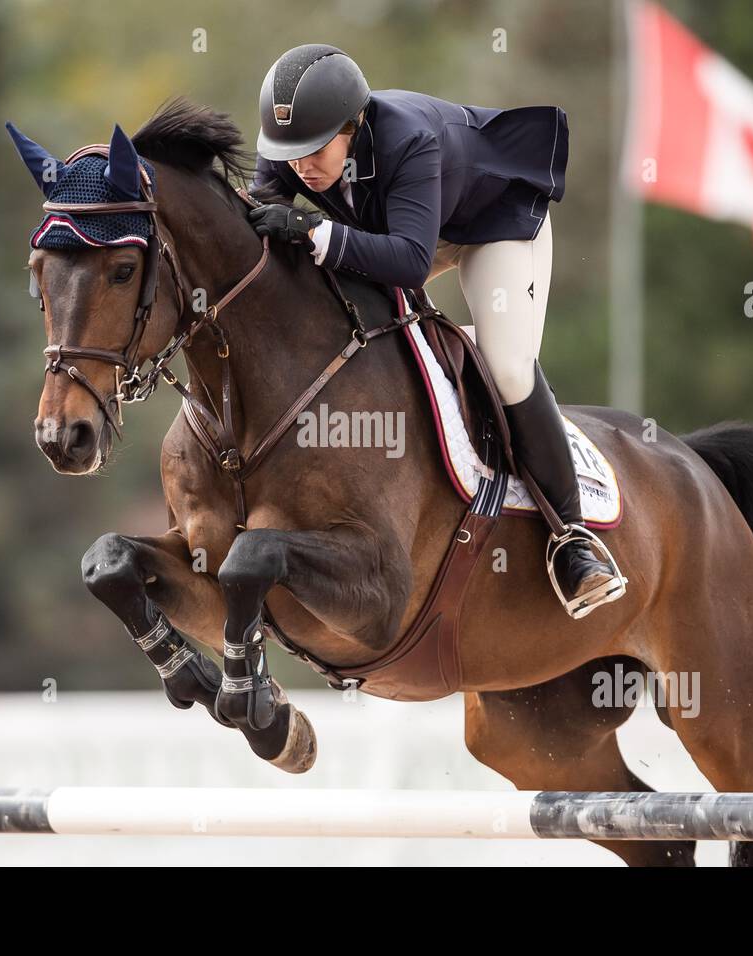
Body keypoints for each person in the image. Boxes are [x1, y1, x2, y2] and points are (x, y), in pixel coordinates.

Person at [247, 44, 625, 619]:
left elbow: (407, 261)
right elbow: (263, 222)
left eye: (316, 150)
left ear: (355, 124)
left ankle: (572, 540)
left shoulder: (407, 139)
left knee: (505, 365)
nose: (300, 166)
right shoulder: (294, 143)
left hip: (486, 227)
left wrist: (313, 229)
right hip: (397, 228)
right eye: (289, 152)